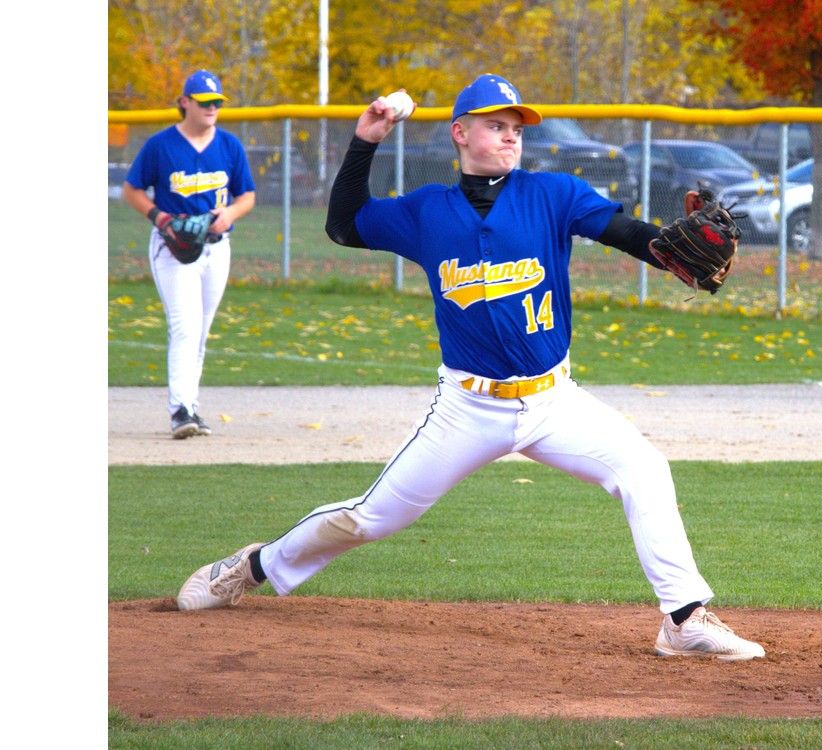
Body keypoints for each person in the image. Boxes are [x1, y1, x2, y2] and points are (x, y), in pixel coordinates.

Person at [177, 74, 764, 660]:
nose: (511, 137)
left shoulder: (554, 194)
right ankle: (252, 566)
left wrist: (670, 250)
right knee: (369, 518)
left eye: (516, 128)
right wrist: (365, 141)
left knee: (644, 469)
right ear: (460, 133)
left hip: (554, 403)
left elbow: (636, 237)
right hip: (467, 408)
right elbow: (343, 225)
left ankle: (683, 619)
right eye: (496, 125)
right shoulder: (426, 211)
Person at [122, 70, 256, 439]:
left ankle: (191, 406)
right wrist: (159, 216)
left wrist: (229, 213)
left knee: (201, 330)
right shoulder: (161, 145)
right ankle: (180, 410)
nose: (212, 107)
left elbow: (247, 195)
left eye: (217, 102)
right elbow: (131, 190)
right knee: (185, 326)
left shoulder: (229, 146)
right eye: (204, 102)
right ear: (185, 103)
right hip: (172, 248)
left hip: (217, 248)